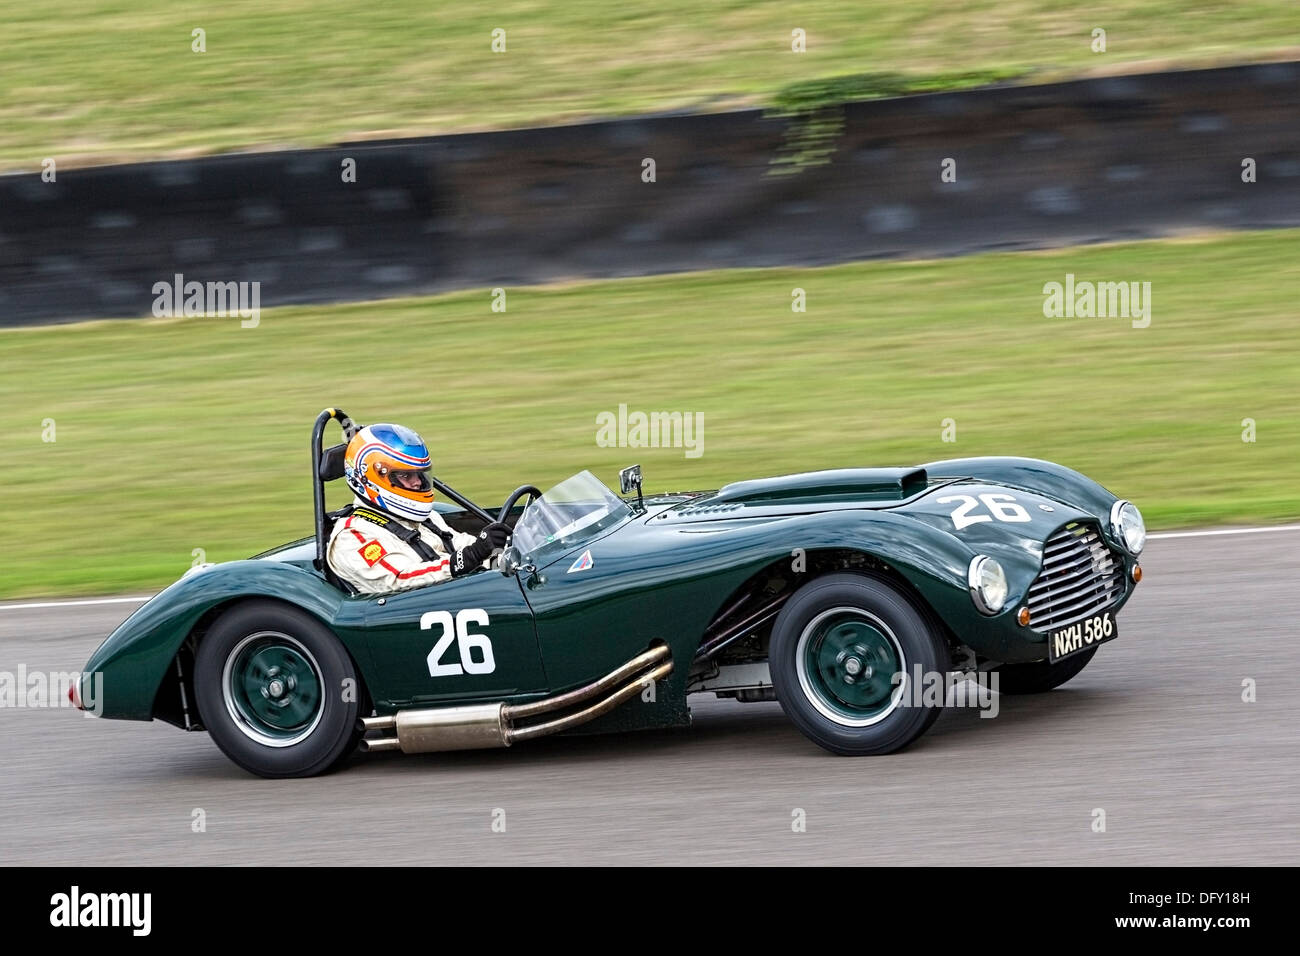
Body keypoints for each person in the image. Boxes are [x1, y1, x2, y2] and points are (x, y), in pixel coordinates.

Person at [326, 422, 510, 593]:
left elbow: (459, 544)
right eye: (406, 476)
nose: (417, 483)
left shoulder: (423, 517)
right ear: (373, 479)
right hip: (407, 614)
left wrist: (504, 554)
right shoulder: (353, 537)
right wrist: (468, 558)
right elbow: (401, 578)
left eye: (419, 474)